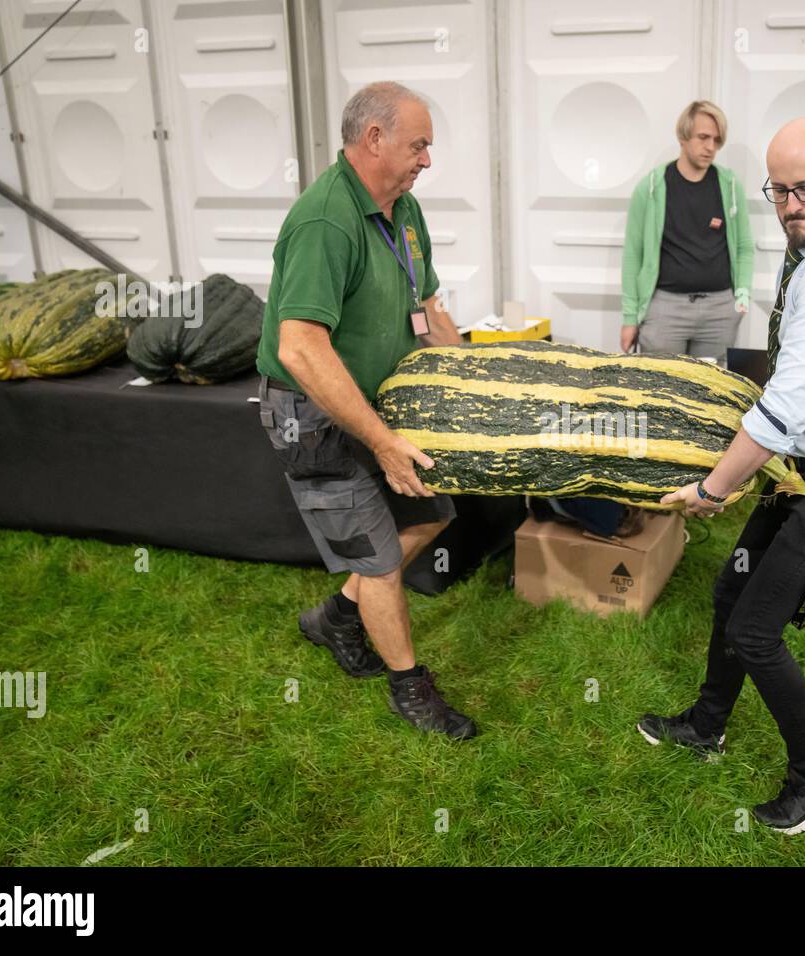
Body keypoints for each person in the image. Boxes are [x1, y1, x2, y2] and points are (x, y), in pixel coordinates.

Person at [639, 117, 805, 834]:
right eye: (780, 191)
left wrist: (712, 488)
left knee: (758, 631)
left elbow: (784, 406)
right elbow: (786, 393)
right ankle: (706, 726)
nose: (793, 205)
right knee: (732, 591)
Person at [255, 81, 477, 740]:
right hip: (310, 415)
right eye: (419, 145)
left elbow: (430, 307)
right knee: (380, 562)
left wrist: (475, 382)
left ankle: (335, 618)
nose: (427, 160)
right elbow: (300, 347)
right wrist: (381, 441)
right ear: (373, 139)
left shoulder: (403, 209)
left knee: (429, 517)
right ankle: (410, 688)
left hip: (381, 401)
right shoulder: (326, 220)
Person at [620, 100, 753, 364]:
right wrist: (629, 318)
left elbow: (744, 247)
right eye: (703, 137)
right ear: (683, 137)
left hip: (719, 311)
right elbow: (633, 255)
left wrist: (742, 295)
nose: (710, 147)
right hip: (664, 309)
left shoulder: (730, 186)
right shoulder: (651, 187)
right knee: (658, 390)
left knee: (710, 394)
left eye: (717, 140)